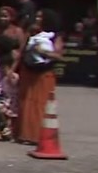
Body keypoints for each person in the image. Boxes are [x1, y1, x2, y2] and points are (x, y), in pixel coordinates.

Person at [16, 9, 64, 145]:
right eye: (36, 16)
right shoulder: (31, 32)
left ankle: (37, 135)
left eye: (40, 17)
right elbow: (22, 50)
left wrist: (42, 52)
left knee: (41, 104)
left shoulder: (55, 36)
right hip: (28, 70)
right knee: (26, 102)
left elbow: (58, 55)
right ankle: (24, 133)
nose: (36, 19)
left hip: (43, 73)